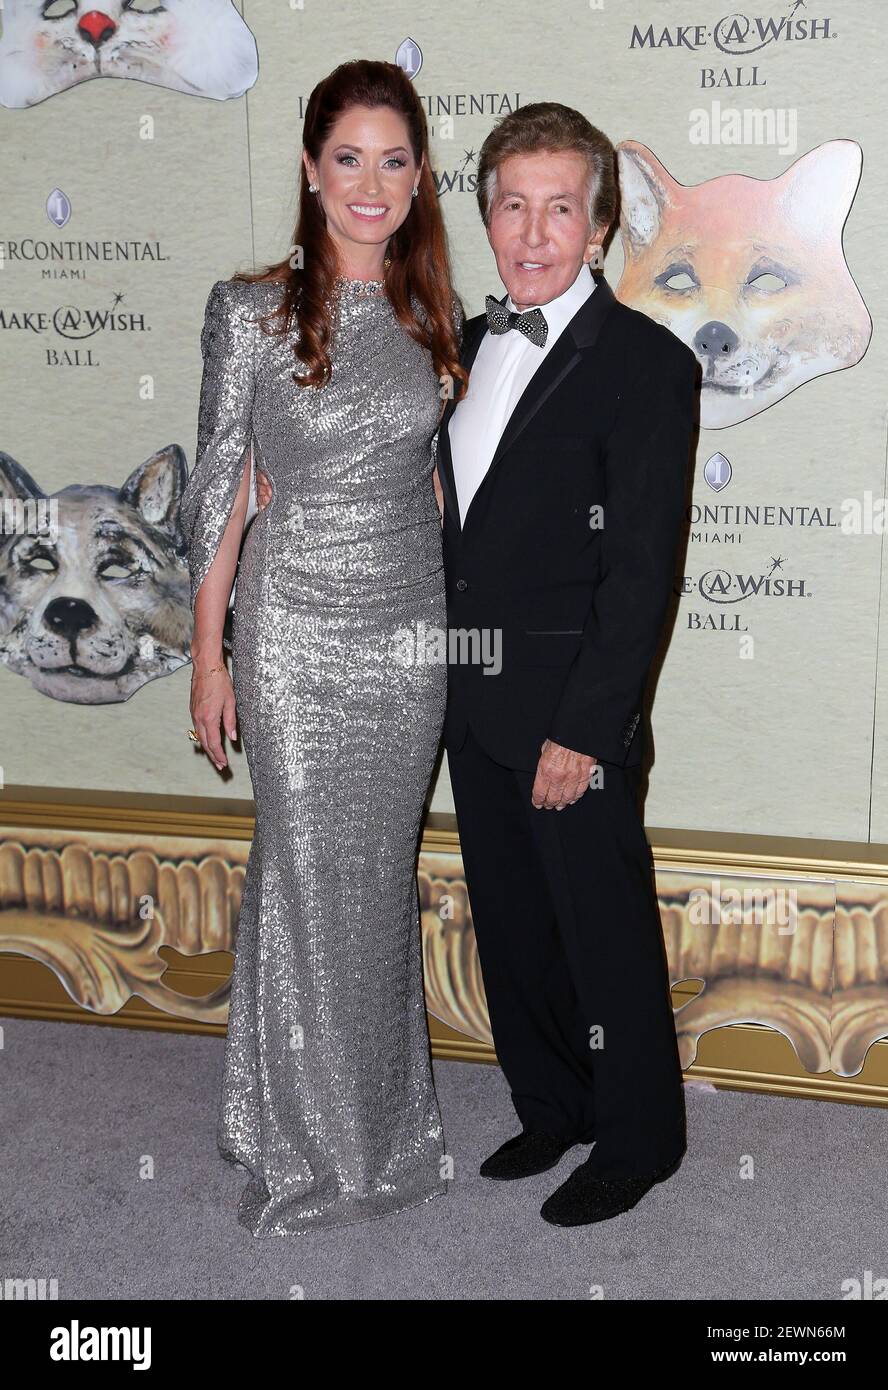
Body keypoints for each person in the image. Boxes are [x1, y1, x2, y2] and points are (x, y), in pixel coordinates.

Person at [180, 58, 465, 1236]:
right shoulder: (246, 312)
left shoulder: (430, 312)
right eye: (348, 157)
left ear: (416, 180)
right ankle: (299, 1145)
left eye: (393, 161)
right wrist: (210, 658)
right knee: (303, 879)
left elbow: (442, 487)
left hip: (408, 638)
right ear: (309, 169)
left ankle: (383, 1134)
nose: (370, 182)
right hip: (293, 633)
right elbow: (216, 498)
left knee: (370, 883)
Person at [435, 103, 698, 1226]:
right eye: (510, 204)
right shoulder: (454, 341)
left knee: (601, 927)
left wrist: (584, 730)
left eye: (559, 208)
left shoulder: (645, 364)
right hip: (466, 694)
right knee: (511, 922)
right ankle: (549, 1103)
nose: (532, 232)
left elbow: (641, 576)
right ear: (485, 214)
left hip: (569, 710)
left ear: (598, 226)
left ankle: (637, 1136)